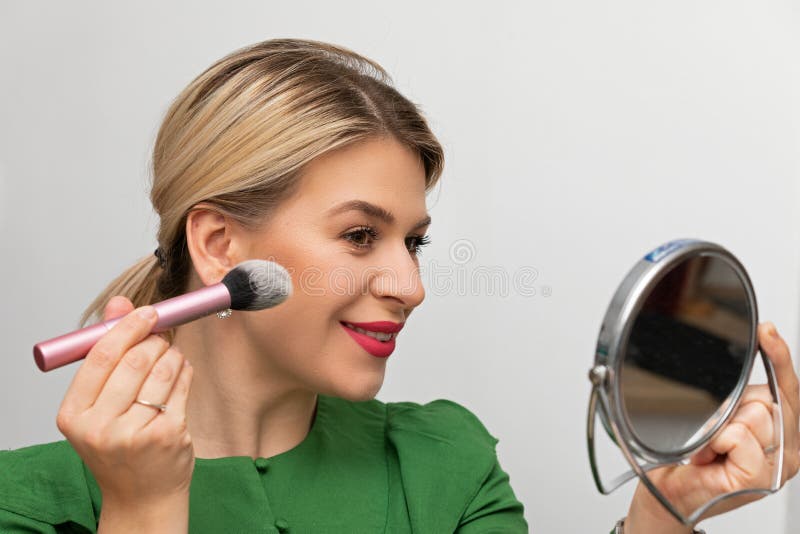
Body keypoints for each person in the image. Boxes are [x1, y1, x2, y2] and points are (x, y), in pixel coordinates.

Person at [0, 38, 796, 534]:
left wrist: (666, 509)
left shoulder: (442, 463)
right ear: (218, 244)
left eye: (412, 241)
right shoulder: (31, 504)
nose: (410, 285)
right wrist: (141, 511)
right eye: (359, 236)